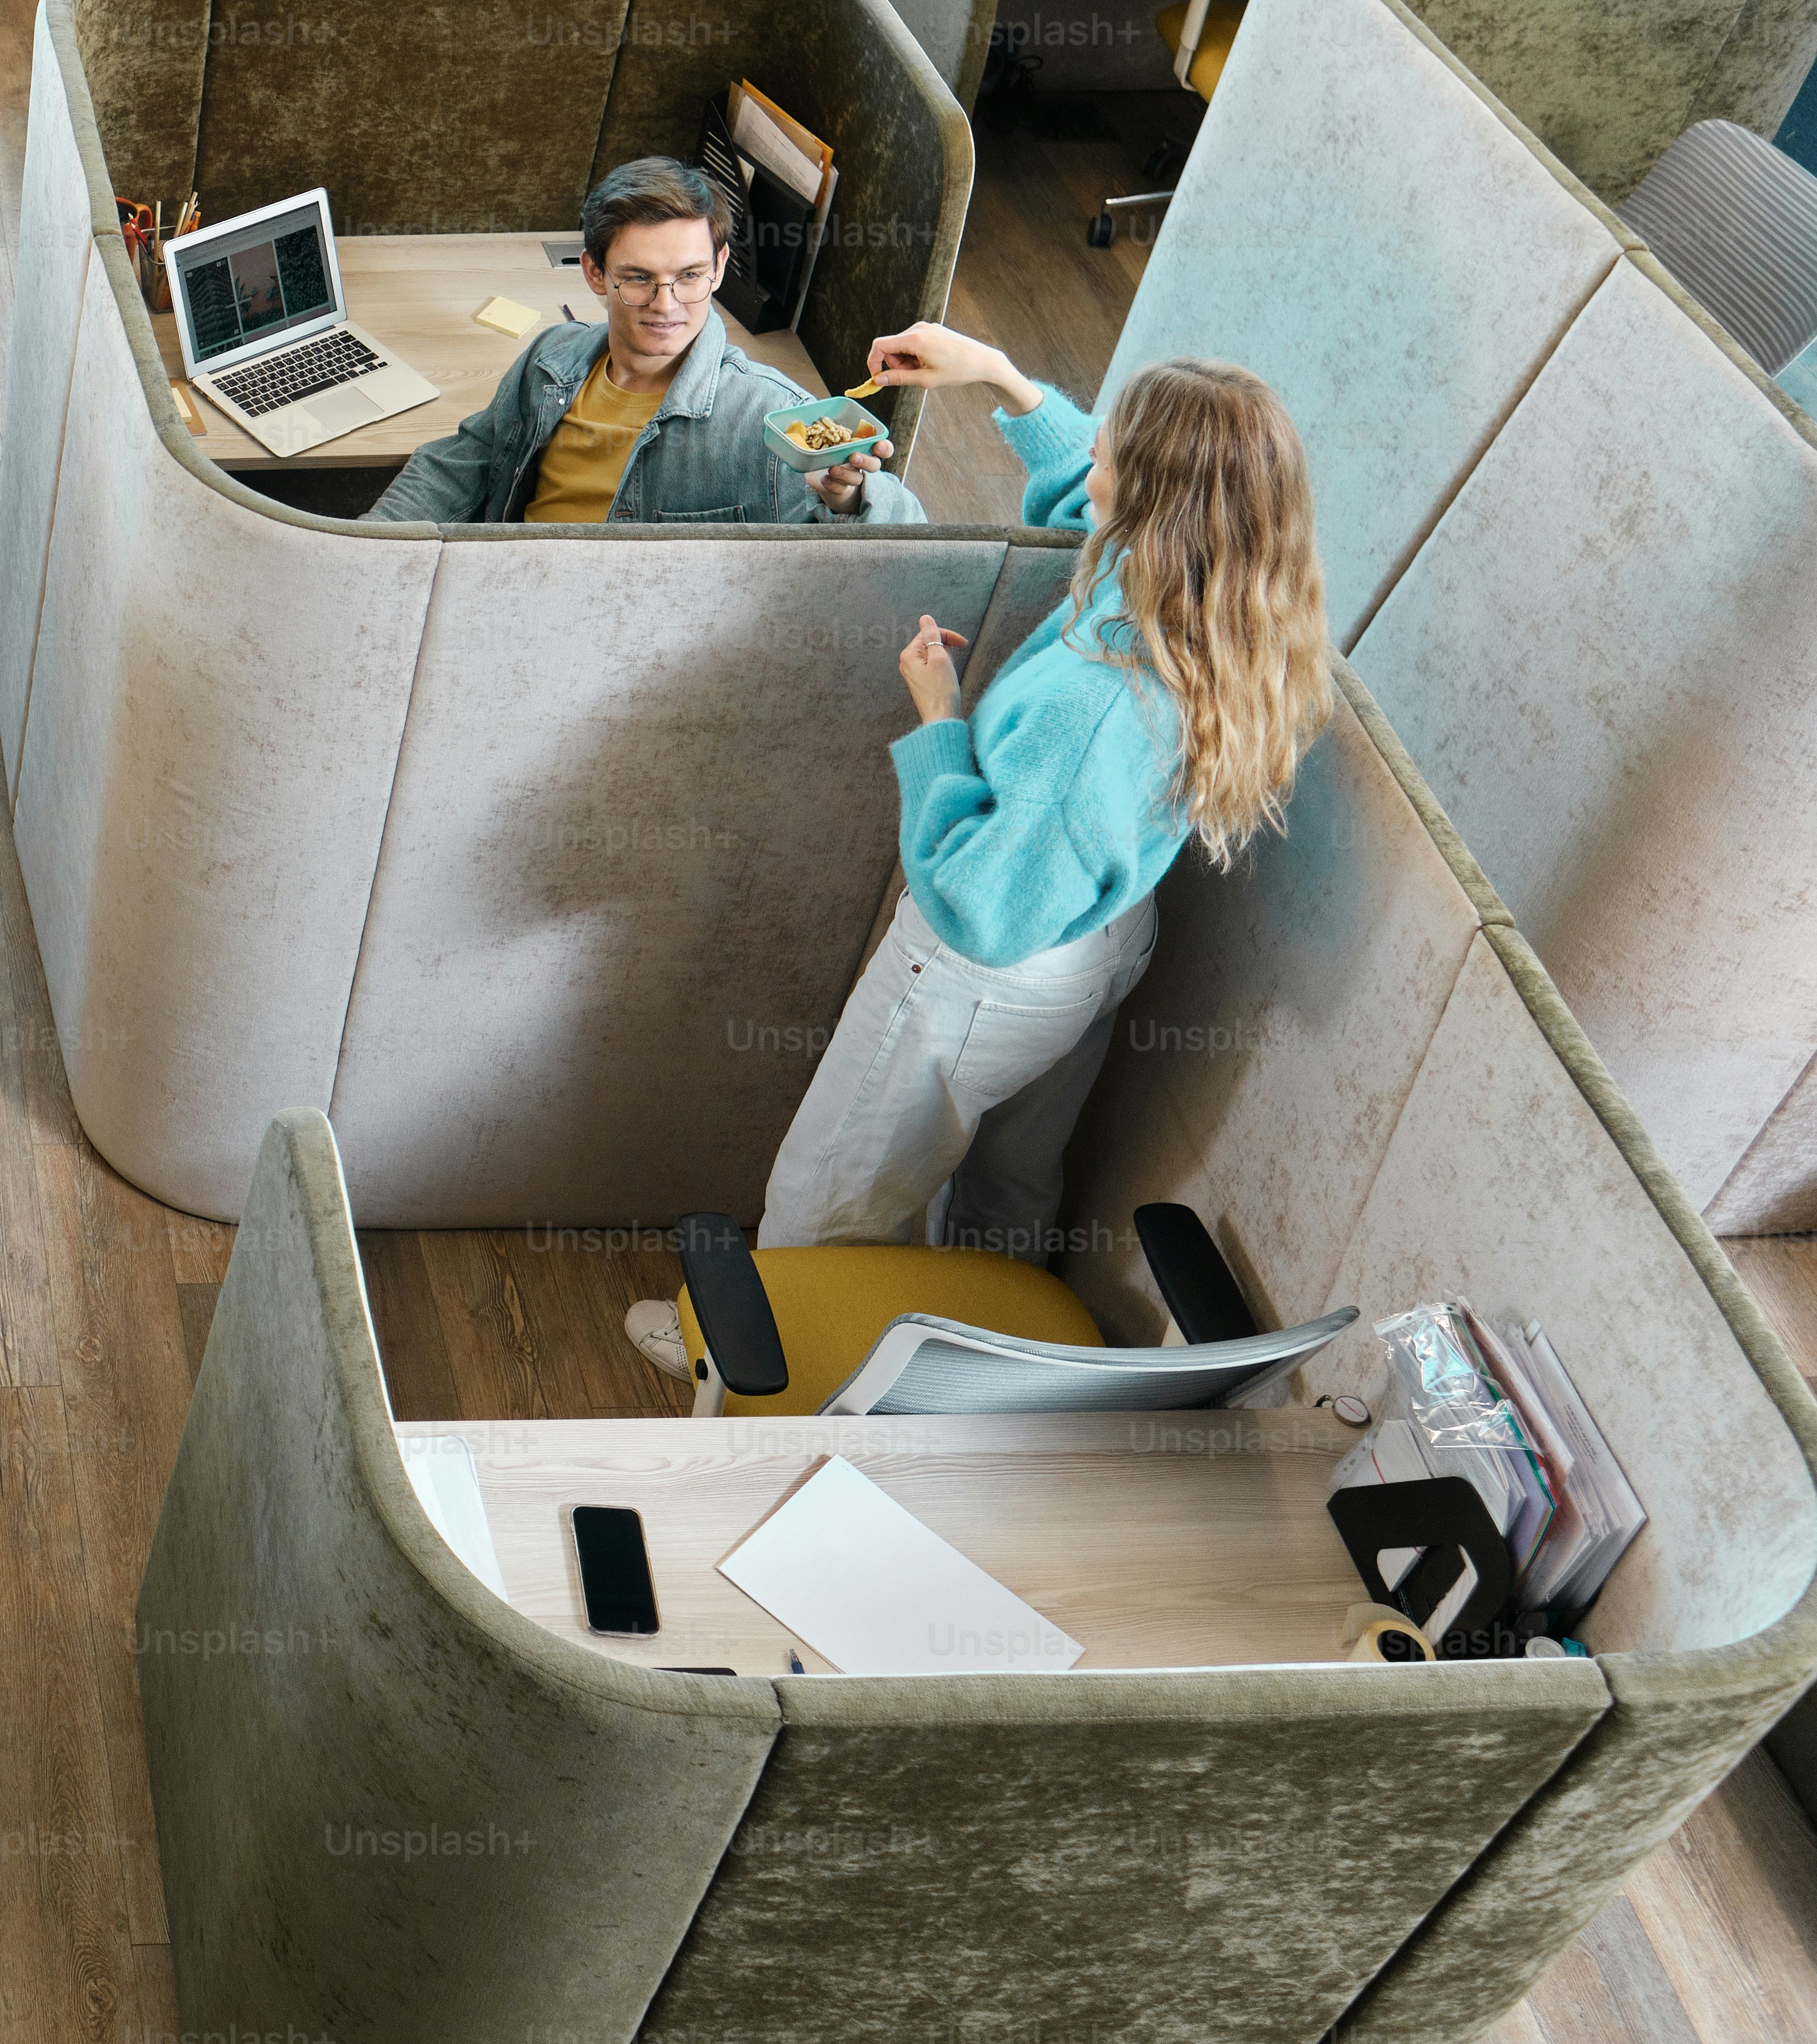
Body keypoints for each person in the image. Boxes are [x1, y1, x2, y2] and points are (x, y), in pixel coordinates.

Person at [626, 332, 1332, 1371]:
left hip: (985, 971)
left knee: (827, 1195)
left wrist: (938, 722)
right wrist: (1001, 375)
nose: (1089, 463)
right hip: (1096, 945)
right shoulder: (1211, 597)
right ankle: (961, 1382)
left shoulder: (1097, 704)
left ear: (1152, 495)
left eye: (1110, 455)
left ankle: (748, 1373)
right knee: (1009, 1182)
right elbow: (1086, 506)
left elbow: (976, 903)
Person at [366, 158, 922, 528]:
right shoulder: (550, 360)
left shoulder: (774, 414)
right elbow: (456, 467)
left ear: (721, 266)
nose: (666, 304)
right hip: (504, 596)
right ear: (593, 273)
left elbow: (911, 536)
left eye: (689, 276)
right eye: (638, 278)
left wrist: (846, 499)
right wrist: (359, 547)